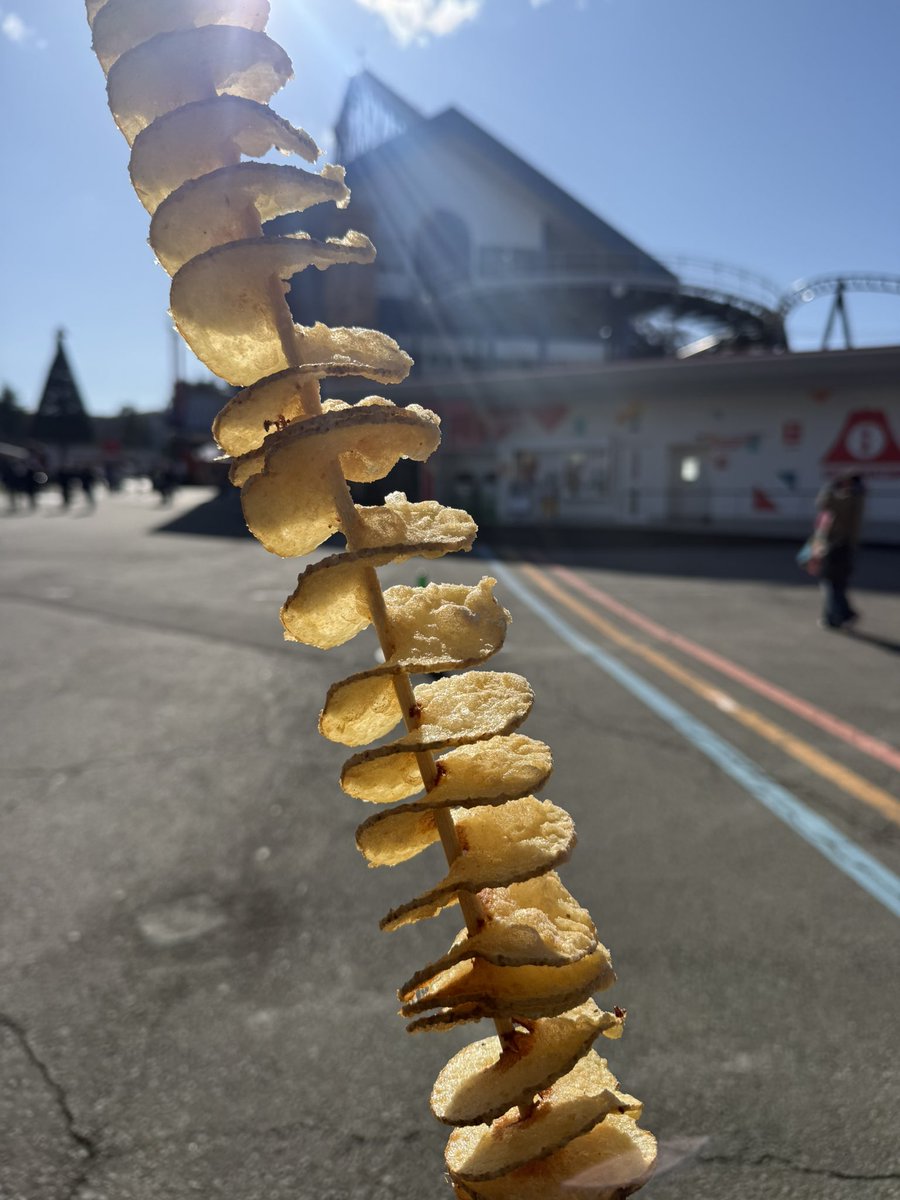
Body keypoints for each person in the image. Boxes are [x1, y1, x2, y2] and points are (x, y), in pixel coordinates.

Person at [815, 472, 865, 630]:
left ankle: (835, 617)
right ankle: (842, 614)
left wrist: (830, 488)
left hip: (838, 546)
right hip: (844, 546)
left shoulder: (850, 499)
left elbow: (825, 504)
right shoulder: (856, 497)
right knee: (838, 584)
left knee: (830, 582)